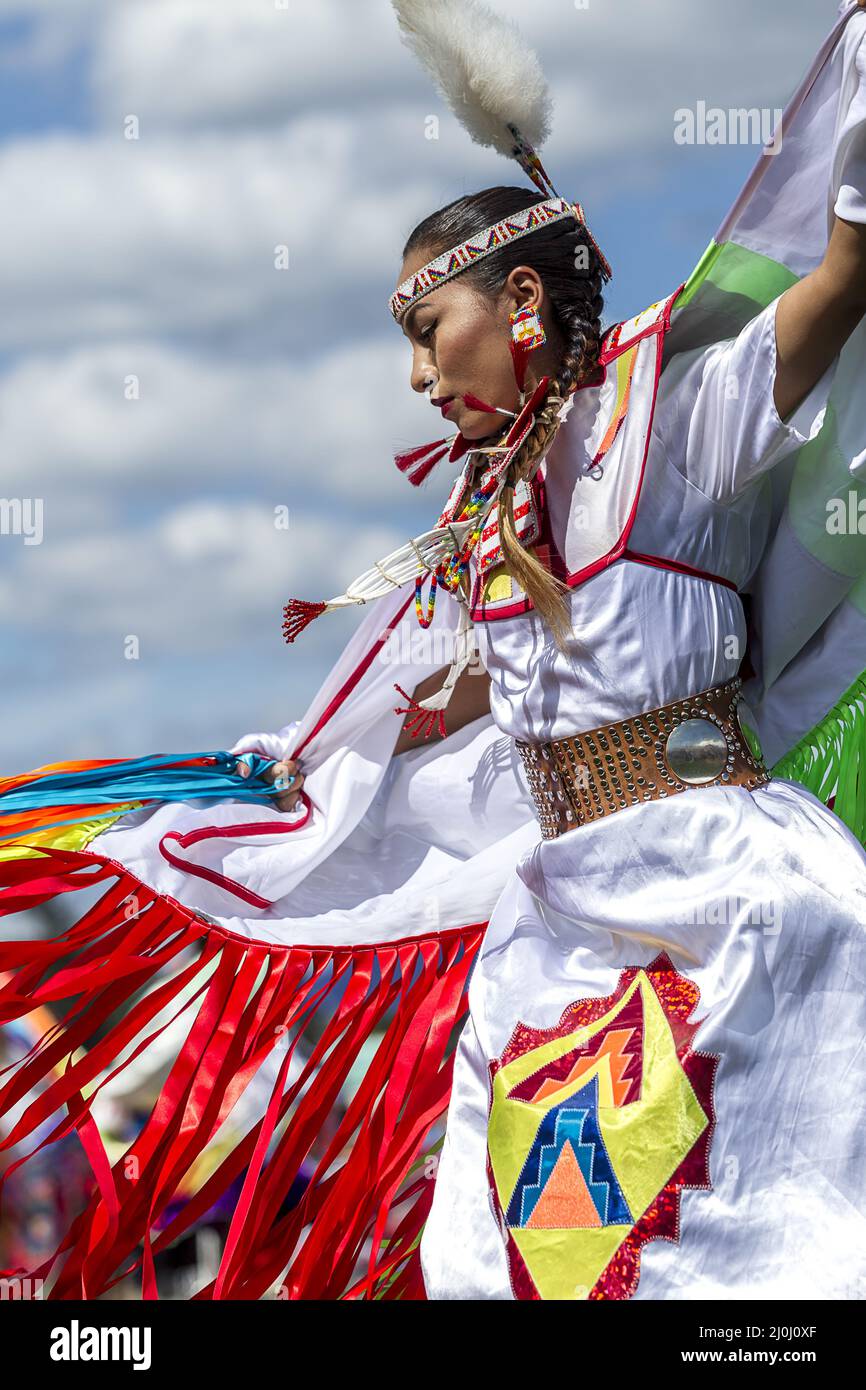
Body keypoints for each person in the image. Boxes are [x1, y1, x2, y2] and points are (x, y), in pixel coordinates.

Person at [1, 0, 866, 1301]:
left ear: (521, 298)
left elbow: (840, 281)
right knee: (500, 1261)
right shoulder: (489, 516)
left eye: (425, 328)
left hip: (716, 902)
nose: (414, 376)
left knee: (733, 1260)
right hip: (565, 920)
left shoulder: (677, 419)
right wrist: (285, 772)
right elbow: (443, 701)